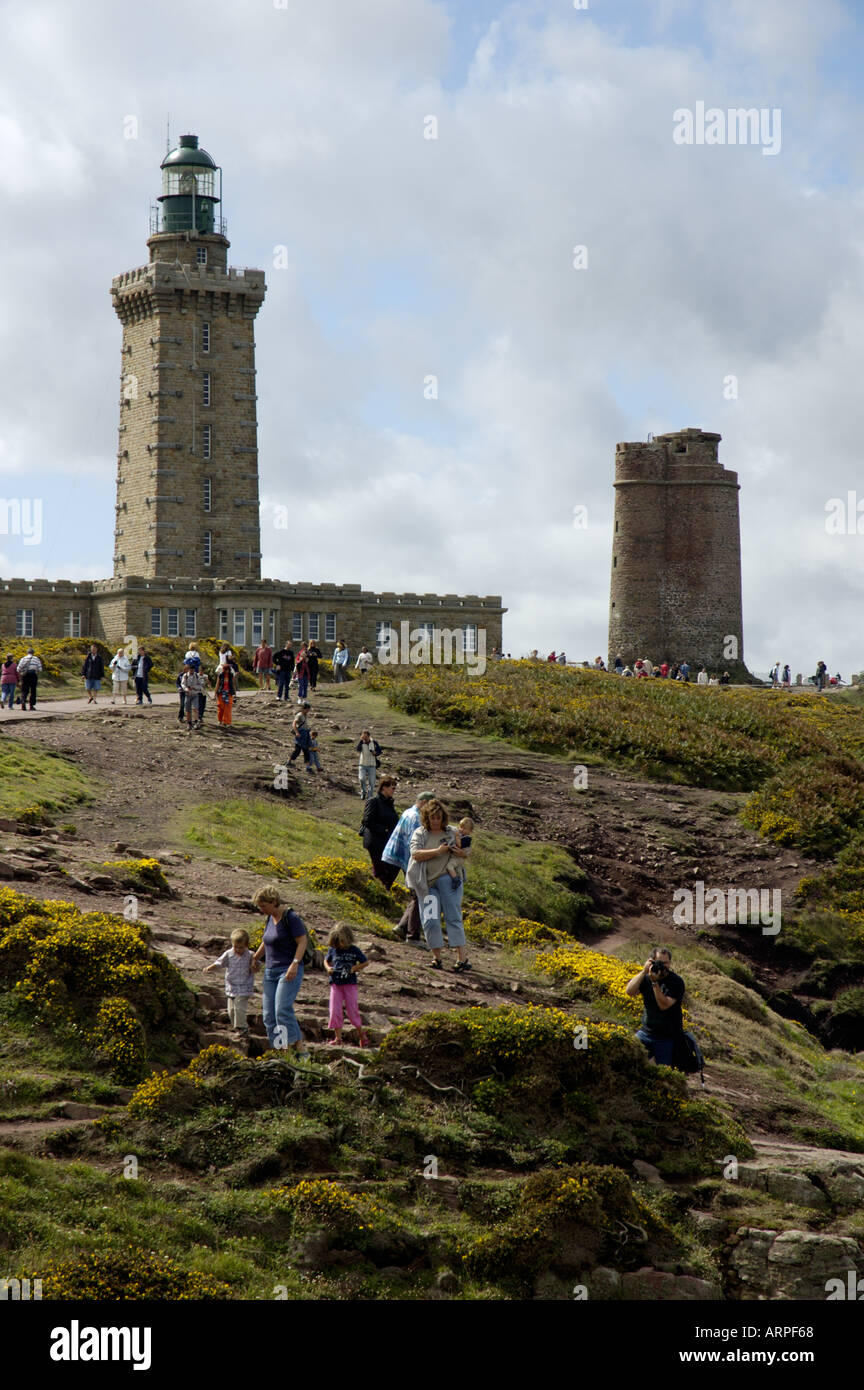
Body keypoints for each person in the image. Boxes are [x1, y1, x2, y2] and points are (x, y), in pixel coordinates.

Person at [407, 799, 470, 972]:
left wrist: (461, 853)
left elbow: (465, 851)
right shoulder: (420, 834)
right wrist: (437, 852)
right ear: (426, 818)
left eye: (438, 817)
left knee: (453, 916)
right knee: (430, 919)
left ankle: (462, 958)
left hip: (449, 881)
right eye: (432, 817)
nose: (435, 821)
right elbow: (415, 854)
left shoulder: (452, 831)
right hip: (426, 884)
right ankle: (436, 958)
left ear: (443, 818)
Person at [250, 885, 310, 1060]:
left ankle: (299, 1049)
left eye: (263, 906)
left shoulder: (291, 918)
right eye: (260, 906)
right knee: (269, 1016)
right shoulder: (270, 918)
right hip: (270, 971)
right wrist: (256, 957)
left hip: (288, 970)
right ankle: (282, 1052)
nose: (261, 910)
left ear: (274, 902)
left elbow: (302, 942)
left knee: (282, 1009)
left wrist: (295, 964)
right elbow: (266, 941)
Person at [382, 790, 437, 940]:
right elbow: (414, 844)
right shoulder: (416, 818)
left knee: (416, 895)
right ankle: (412, 935)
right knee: (419, 895)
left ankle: (402, 926)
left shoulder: (408, 811)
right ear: (424, 803)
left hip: (395, 854)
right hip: (406, 858)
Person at [625, 947, 685, 1066]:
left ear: (670, 963)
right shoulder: (647, 977)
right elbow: (629, 991)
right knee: (631, 1059)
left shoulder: (676, 982)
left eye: (665, 963)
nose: (662, 966)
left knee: (662, 1073)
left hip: (667, 1037)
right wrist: (643, 972)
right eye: (659, 963)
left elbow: (664, 1005)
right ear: (652, 961)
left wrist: (654, 983)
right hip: (646, 1032)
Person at [203, 927, 256, 1037]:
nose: (237, 950)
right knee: (231, 1010)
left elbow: (257, 967)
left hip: (244, 987)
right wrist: (209, 968)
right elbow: (219, 963)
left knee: (239, 1008)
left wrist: (254, 965)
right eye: (235, 947)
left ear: (246, 945)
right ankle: (237, 1028)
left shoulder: (250, 955)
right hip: (231, 986)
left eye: (241, 948)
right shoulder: (229, 953)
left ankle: (243, 1028)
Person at [324, 924, 369, 1047]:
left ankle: (361, 1035)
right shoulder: (333, 950)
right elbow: (326, 960)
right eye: (339, 941)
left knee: (352, 1010)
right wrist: (328, 968)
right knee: (334, 1010)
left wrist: (354, 968)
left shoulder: (354, 950)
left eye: (343, 941)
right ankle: (337, 1038)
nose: (341, 944)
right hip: (336, 984)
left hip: (350, 984)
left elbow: (365, 962)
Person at [360, 776, 400, 886]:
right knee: (381, 871)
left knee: (393, 867)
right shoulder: (374, 801)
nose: (394, 791)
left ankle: (383, 890)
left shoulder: (389, 804)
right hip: (375, 842)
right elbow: (367, 821)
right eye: (392, 788)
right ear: (384, 788)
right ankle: (379, 892)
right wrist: (385, 830)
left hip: (386, 842)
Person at [356, 729, 381, 799]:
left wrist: (375, 753)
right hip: (362, 764)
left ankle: (370, 796)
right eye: (363, 737)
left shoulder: (374, 742)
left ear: (369, 736)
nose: (365, 739)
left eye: (366, 737)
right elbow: (357, 749)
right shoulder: (361, 742)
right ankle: (363, 792)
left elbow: (379, 751)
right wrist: (362, 742)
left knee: (372, 782)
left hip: (372, 765)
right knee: (361, 778)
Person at [181, 661, 206, 730]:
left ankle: (196, 722)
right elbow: (183, 684)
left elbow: (200, 685)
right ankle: (189, 723)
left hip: (195, 694)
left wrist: (195, 688)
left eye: (193, 669)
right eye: (190, 669)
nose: (192, 671)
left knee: (195, 708)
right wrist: (186, 689)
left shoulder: (196, 676)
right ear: (188, 669)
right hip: (188, 694)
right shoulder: (185, 675)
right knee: (188, 709)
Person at [288, 702, 312, 769]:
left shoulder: (305, 715)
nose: (308, 711)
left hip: (306, 735)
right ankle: (289, 762)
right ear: (303, 709)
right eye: (307, 709)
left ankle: (308, 767)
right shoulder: (299, 715)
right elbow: (294, 724)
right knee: (297, 750)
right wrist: (297, 732)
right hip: (300, 735)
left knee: (306, 751)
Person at [215, 659, 237, 728]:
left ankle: (227, 722)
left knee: (228, 708)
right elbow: (217, 684)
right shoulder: (220, 675)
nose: (227, 671)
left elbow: (233, 685)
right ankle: (220, 720)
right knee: (221, 707)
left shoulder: (231, 676)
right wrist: (215, 692)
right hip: (221, 692)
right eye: (225, 670)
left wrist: (235, 693)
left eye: (228, 670)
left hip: (229, 693)